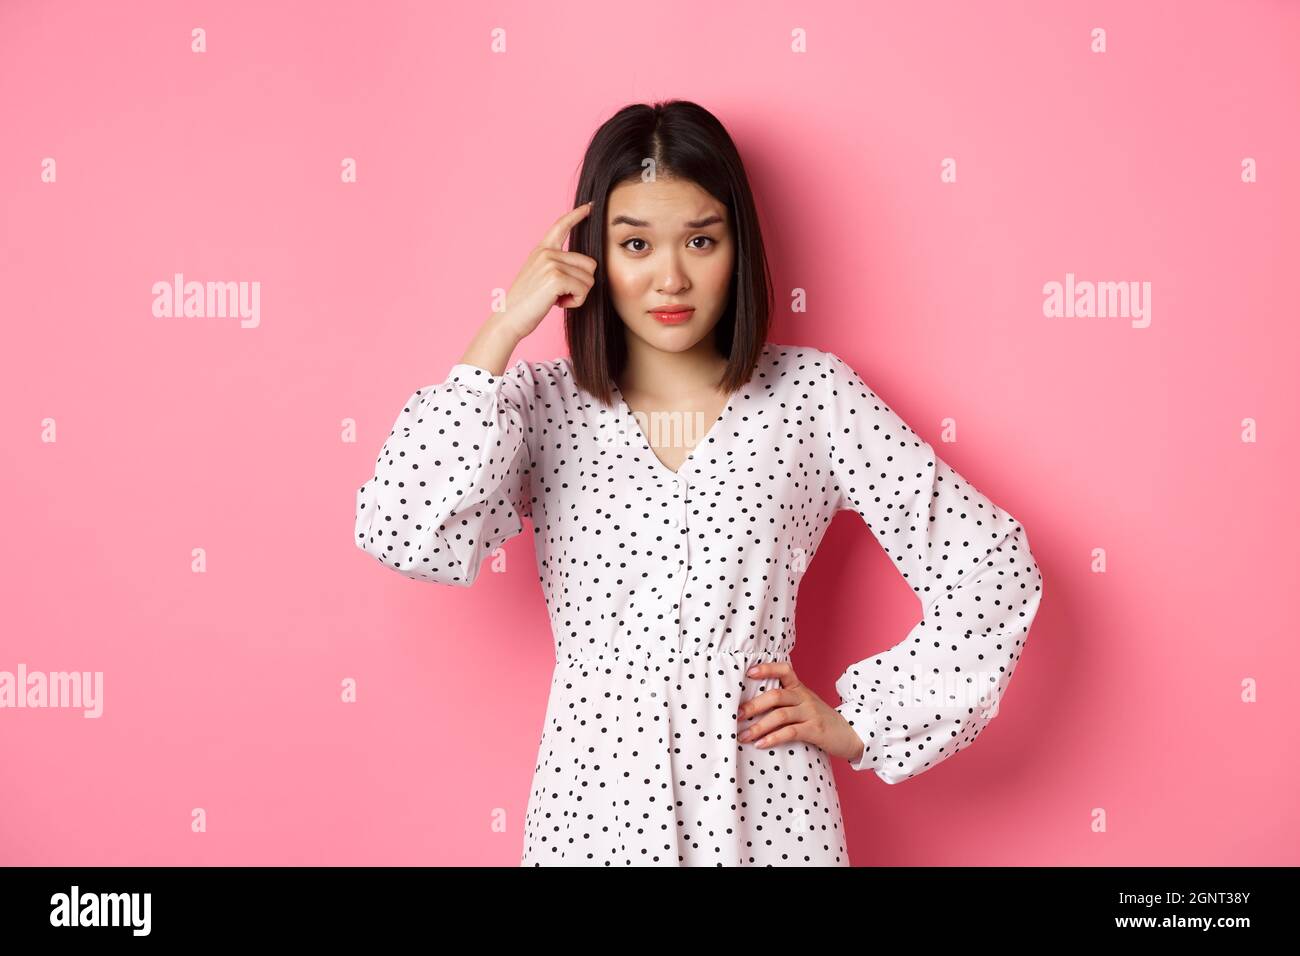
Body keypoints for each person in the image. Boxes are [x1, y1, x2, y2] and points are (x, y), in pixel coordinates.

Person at [354, 100, 1044, 866]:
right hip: (593, 804)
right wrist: (502, 328)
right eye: (636, 243)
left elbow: (990, 565)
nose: (670, 276)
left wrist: (864, 725)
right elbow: (402, 529)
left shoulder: (812, 397)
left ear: (736, 248)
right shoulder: (538, 405)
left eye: (702, 240)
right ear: (592, 256)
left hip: (767, 802)